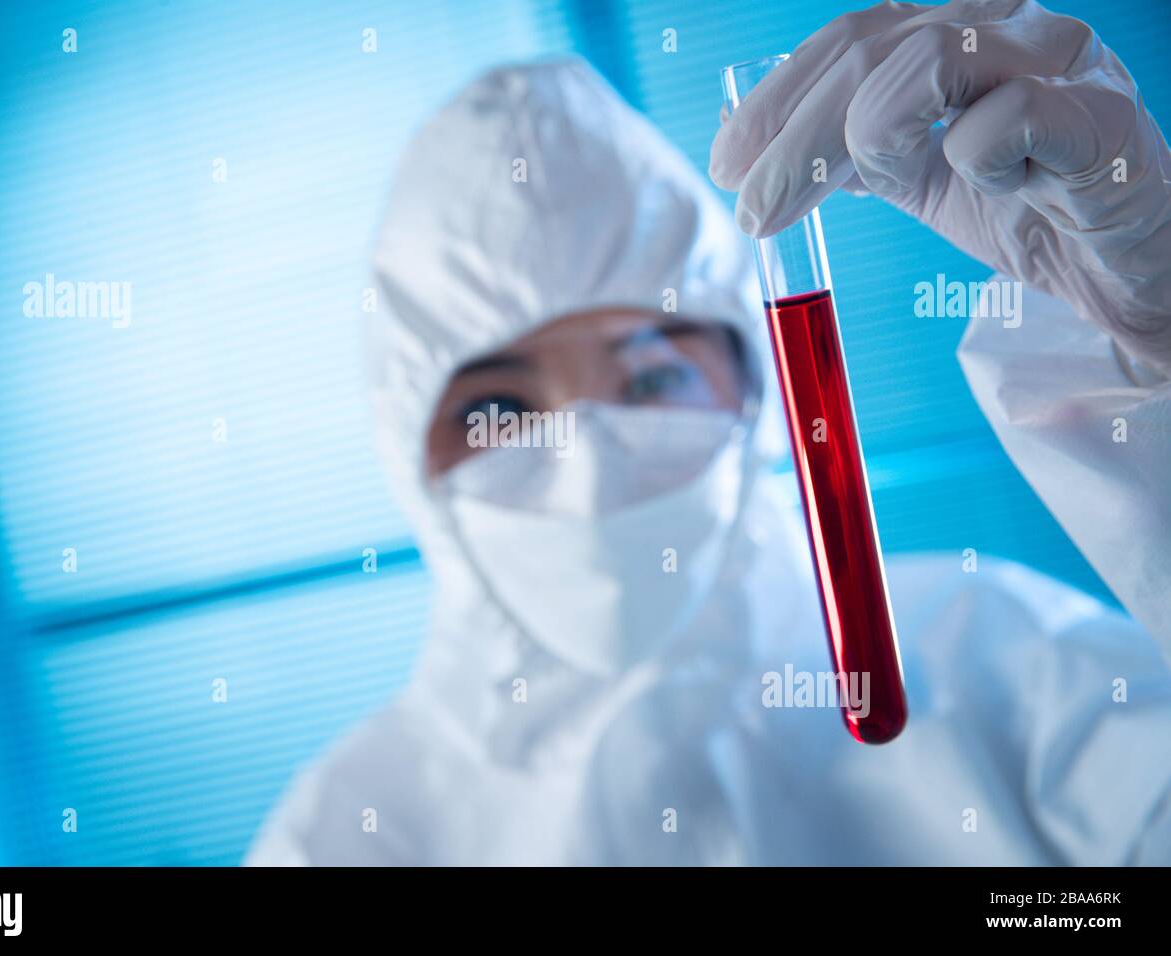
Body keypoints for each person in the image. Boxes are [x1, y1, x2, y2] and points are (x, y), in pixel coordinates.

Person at [247, 0, 1171, 865]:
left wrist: (1160, 325)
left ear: (754, 388)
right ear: (411, 450)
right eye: (500, 413)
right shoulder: (343, 831)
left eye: (649, 377)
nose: (591, 462)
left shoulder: (997, 658)